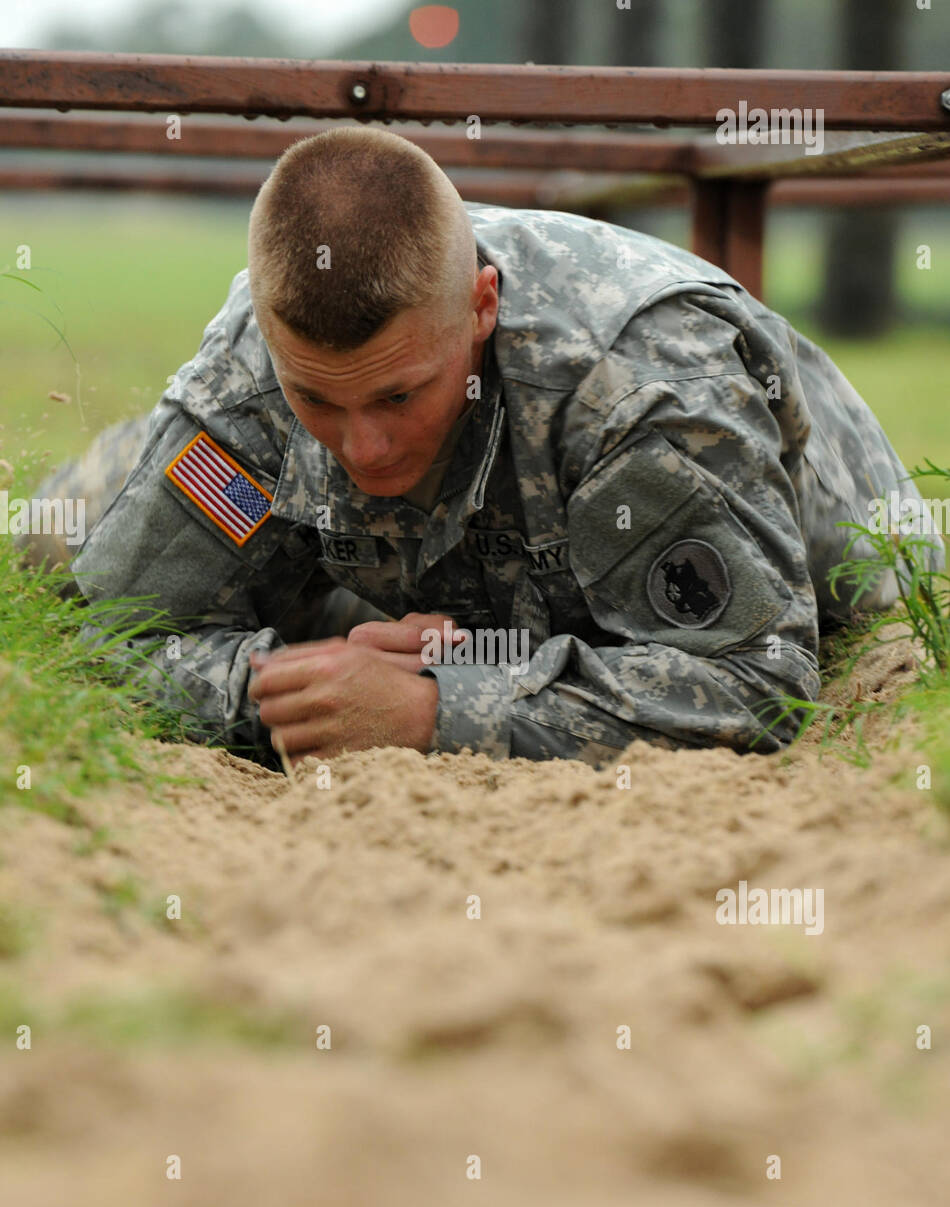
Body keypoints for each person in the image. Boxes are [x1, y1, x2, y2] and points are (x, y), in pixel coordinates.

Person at [22, 127, 945, 769]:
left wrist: (436, 705)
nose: (365, 449)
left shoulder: (637, 380)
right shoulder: (246, 375)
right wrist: (286, 695)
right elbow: (109, 638)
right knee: (60, 531)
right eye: (317, 400)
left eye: (398, 393)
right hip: (449, 579)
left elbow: (752, 680)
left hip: (742, 580)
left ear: (483, 308)